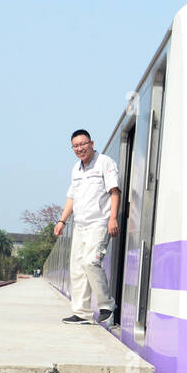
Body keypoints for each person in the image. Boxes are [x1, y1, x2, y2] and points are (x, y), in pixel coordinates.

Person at [55, 129, 120, 324]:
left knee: (91, 262)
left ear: (91, 144)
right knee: (77, 269)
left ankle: (107, 304)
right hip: (80, 225)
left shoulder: (105, 163)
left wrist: (113, 218)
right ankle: (82, 313)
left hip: (99, 223)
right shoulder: (76, 169)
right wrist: (62, 221)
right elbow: (71, 198)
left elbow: (115, 191)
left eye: (83, 144)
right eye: (75, 146)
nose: (79, 148)